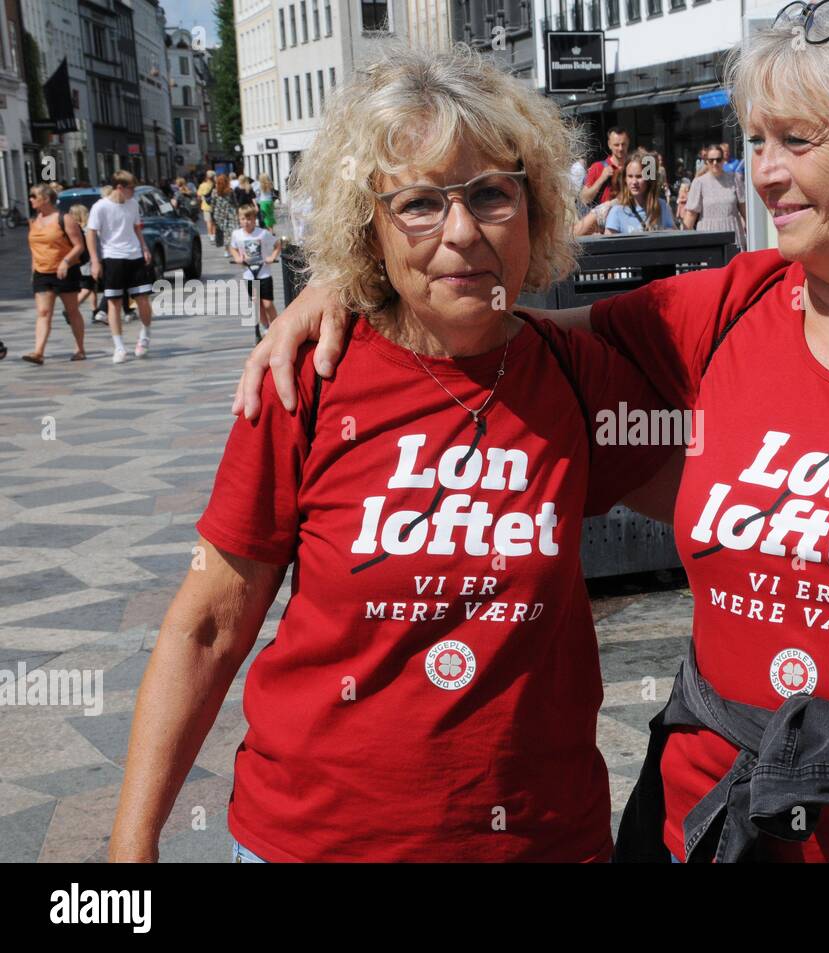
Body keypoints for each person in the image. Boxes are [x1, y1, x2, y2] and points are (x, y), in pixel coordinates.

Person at [242, 0, 829, 864]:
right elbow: (489, 322)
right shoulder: (728, 309)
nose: (763, 171)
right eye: (755, 140)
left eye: (795, 140)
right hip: (718, 825)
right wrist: (351, 279)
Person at [109, 43, 672, 864]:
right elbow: (206, 627)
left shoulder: (572, 374)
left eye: (489, 194)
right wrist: (132, 849)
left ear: (537, 206)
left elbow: (731, 516)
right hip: (313, 841)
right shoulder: (309, 377)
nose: (461, 232)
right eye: (417, 204)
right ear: (368, 230)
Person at [86, 171, 154, 363]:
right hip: (112, 257)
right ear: (119, 187)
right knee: (113, 302)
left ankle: (145, 335)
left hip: (134, 255)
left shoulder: (132, 204)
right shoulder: (100, 207)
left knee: (142, 299)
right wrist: (95, 260)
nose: (134, 192)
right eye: (131, 188)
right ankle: (119, 347)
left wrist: (145, 247)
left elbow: (136, 227)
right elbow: (91, 234)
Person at [24, 184, 87, 364]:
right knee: (43, 312)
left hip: (65, 271)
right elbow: (34, 250)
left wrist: (66, 261)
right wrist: (33, 271)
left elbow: (79, 245)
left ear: (45, 199)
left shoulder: (64, 218)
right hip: (42, 273)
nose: (30, 199)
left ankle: (80, 349)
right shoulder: (33, 221)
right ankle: (38, 352)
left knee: (72, 310)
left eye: (33, 196)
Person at [229, 203, 281, 342]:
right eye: (243, 219)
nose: (246, 222)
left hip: (264, 273)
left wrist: (272, 257)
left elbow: (277, 244)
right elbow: (232, 248)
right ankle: (266, 328)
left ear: (254, 219)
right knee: (257, 304)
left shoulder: (262, 233)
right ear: (239, 220)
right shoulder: (237, 234)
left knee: (268, 304)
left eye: (249, 219)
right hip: (249, 274)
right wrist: (237, 258)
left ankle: (277, 328)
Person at [684, 143, 747, 250]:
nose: (715, 163)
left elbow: (744, 209)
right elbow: (691, 214)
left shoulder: (735, 178)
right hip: (707, 237)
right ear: (706, 161)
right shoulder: (699, 182)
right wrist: (684, 242)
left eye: (718, 159)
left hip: (733, 235)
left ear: (723, 160)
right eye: (711, 160)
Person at [603, 151, 676, 234]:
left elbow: (674, 239)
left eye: (639, 176)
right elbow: (610, 245)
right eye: (630, 176)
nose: (634, 182)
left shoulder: (662, 206)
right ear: (625, 179)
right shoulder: (617, 211)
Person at [66, 203, 102, 322]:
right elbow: (93, 247)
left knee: (92, 288)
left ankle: (94, 310)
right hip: (88, 262)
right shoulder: (87, 230)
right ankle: (71, 309)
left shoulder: (74, 229)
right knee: (88, 287)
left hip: (81, 262)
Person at [580, 126, 631, 207]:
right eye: (616, 145)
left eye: (623, 144)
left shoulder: (635, 167)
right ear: (609, 145)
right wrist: (601, 178)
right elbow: (585, 199)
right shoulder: (597, 167)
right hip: (605, 218)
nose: (620, 148)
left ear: (628, 143)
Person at [210, 174, 240, 258]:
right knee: (230, 232)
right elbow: (235, 203)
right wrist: (238, 212)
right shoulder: (230, 191)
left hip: (219, 214)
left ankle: (227, 250)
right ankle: (229, 250)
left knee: (224, 233)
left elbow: (212, 204)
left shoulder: (214, 191)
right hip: (230, 213)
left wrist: (212, 215)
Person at [197, 170, 216, 245]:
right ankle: (214, 235)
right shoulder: (215, 184)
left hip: (206, 206)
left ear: (206, 177)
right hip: (215, 205)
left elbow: (198, 195)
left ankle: (211, 237)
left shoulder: (203, 185)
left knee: (208, 222)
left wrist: (199, 204)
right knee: (214, 222)